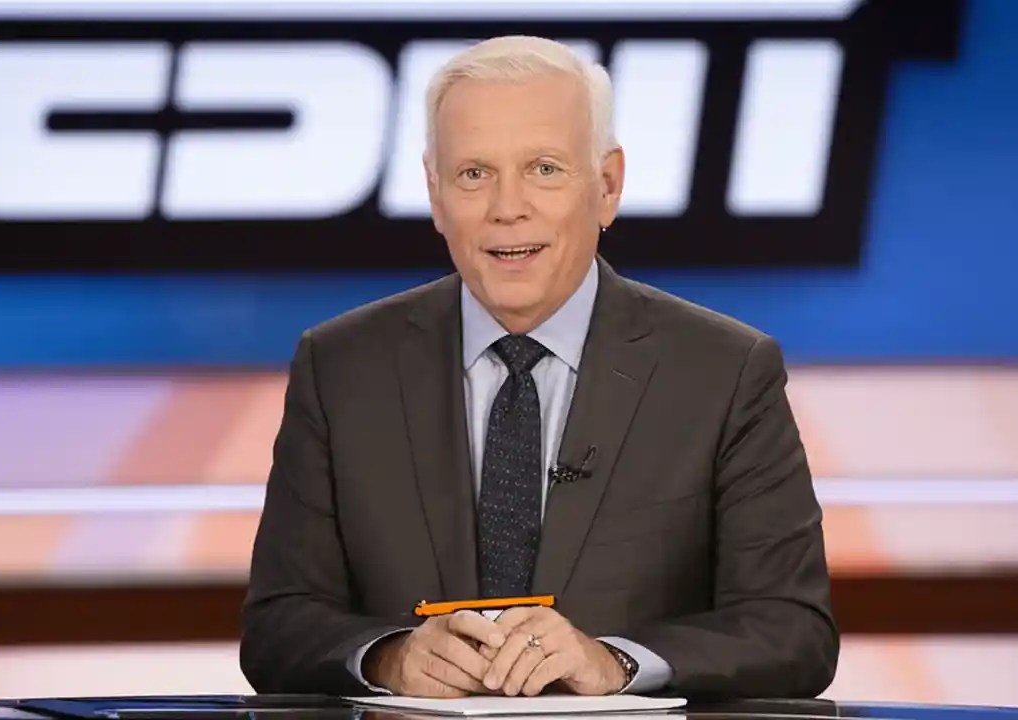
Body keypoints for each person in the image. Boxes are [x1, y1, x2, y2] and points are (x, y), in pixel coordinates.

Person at [240, 35, 838, 699]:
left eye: (544, 169)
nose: (506, 207)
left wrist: (616, 663)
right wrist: (388, 659)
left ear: (607, 185)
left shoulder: (725, 373)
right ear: (435, 194)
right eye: (474, 174)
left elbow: (793, 631)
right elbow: (278, 625)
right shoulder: (340, 368)